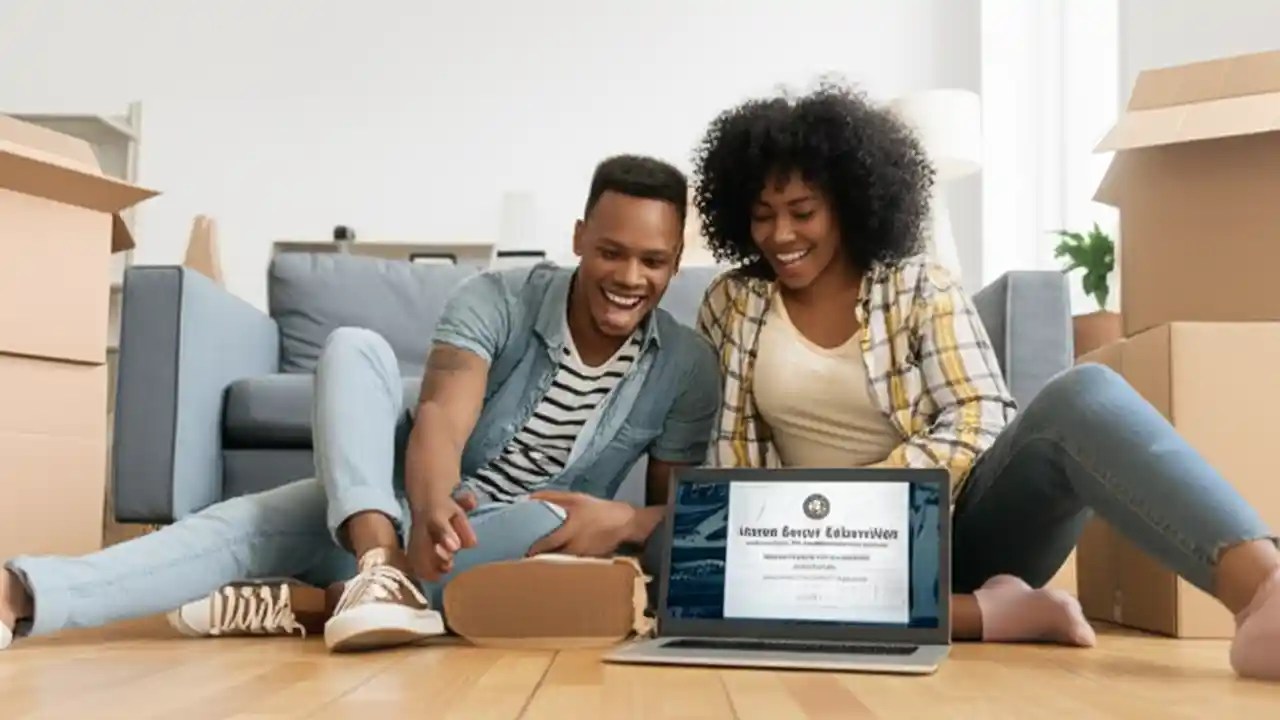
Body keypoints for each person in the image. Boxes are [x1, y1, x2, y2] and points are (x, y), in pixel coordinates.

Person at [0, 154, 720, 653]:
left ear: (673, 261)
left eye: (652, 261)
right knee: (342, 359)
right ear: (579, 239)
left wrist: (624, 519)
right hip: (403, 508)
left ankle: (324, 598)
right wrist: (427, 506)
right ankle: (19, 594)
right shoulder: (498, 296)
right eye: (611, 253)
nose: (629, 277)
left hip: (526, 535)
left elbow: (671, 514)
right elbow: (441, 412)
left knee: (558, 530)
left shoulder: (686, 366)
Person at [689, 81, 1280, 681]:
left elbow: (979, 416)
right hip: (811, 558)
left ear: (846, 201)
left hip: (956, 531)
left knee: (1086, 394)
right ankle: (988, 614)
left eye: (802, 212)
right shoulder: (733, 304)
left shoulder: (921, 286)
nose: (780, 235)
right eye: (763, 217)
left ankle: (1265, 594)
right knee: (688, 554)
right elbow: (731, 454)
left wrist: (864, 499)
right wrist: (801, 531)